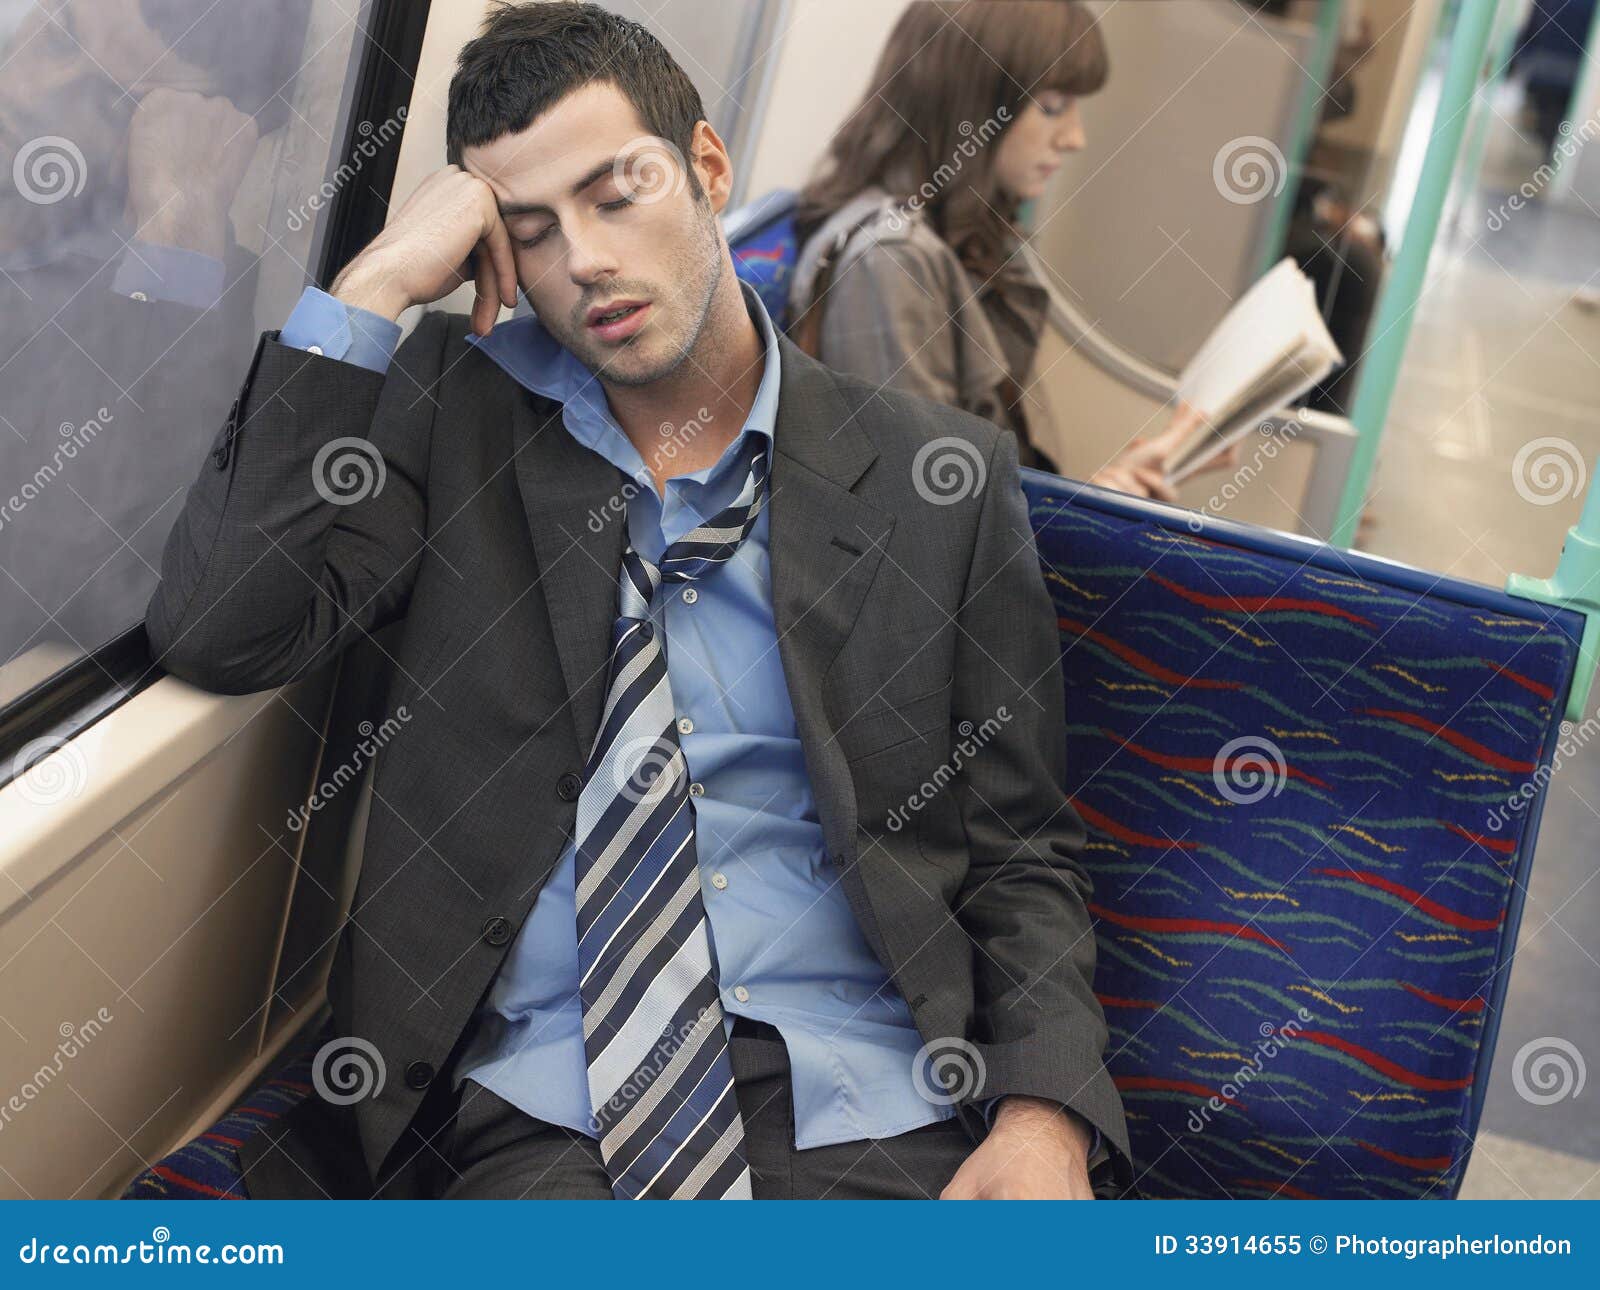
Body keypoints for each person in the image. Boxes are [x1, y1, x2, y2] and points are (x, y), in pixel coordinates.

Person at [146, 1, 1131, 1200]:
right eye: (532, 230)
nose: (586, 261)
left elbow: (1018, 854)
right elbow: (221, 625)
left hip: (859, 1091)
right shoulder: (453, 416)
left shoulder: (945, 480)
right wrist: (374, 286)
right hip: (547, 1101)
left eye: (618, 195)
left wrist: (1042, 1122)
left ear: (708, 167)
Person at [792, 0, 1217, 501]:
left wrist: (1107, 489)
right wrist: (1085, 509)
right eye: (1053, 107)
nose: (1075, 138)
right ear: (970, 105)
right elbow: (924, 516)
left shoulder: (957, 242)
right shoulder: (893, 261)